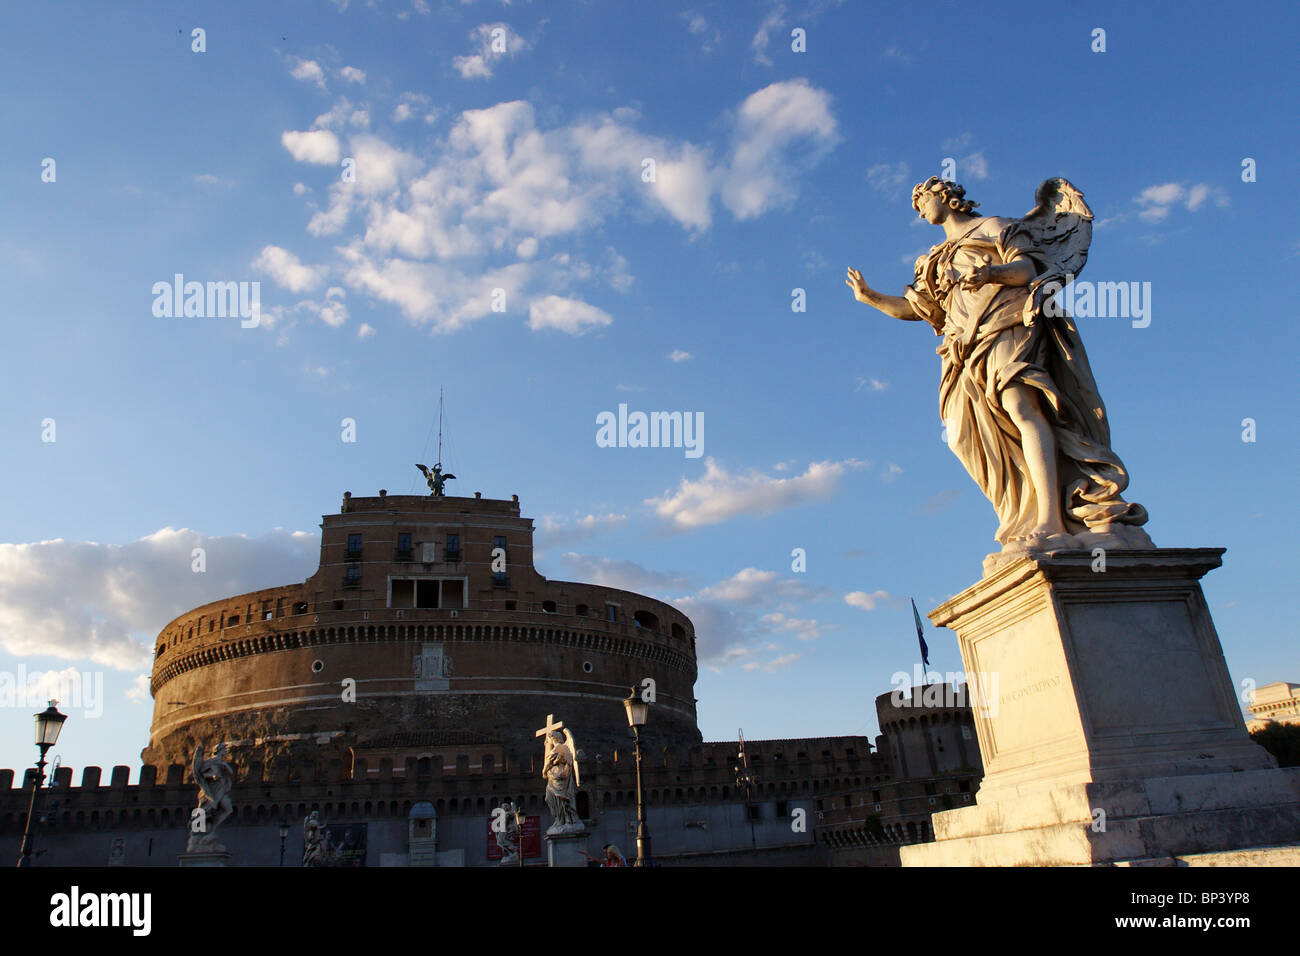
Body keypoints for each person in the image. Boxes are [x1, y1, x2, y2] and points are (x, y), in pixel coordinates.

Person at [846, 176, 1150, 565]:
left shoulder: (992, 228)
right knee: (961, 434)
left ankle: (1052, 521)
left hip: (1004, 323)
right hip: (962, 348)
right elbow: (923, 311)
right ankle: (1022, 514)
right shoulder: (932, 260)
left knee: (1023, 408)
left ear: (945, 196)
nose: (918, 209)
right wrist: (870, 297)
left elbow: (1026, 270)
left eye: (921, 199)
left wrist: (991, 274)